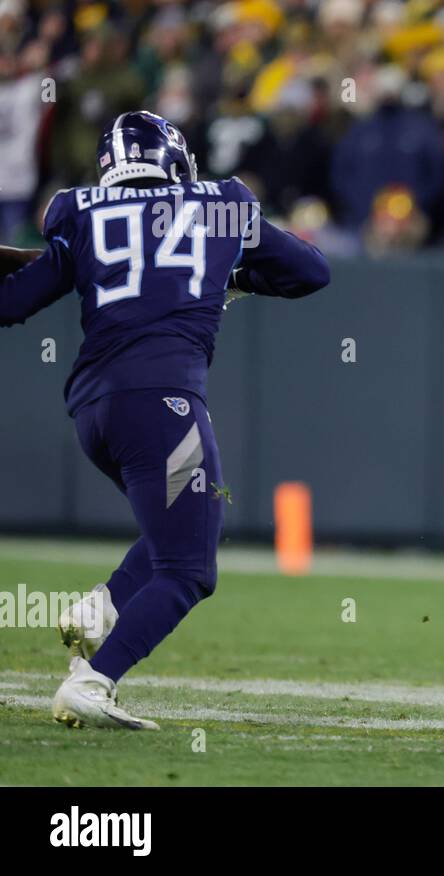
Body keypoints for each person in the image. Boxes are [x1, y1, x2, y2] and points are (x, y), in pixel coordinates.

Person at [0, 110, 329, 729]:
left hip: (94, 410)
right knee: (190, 569)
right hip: (164, 402)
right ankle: (95, 681)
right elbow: (313, 271)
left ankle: (103, 606)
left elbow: (12, 304)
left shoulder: (79, 209)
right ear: (175, 163)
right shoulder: (223, 203)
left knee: (182, 526)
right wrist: (230, 272)